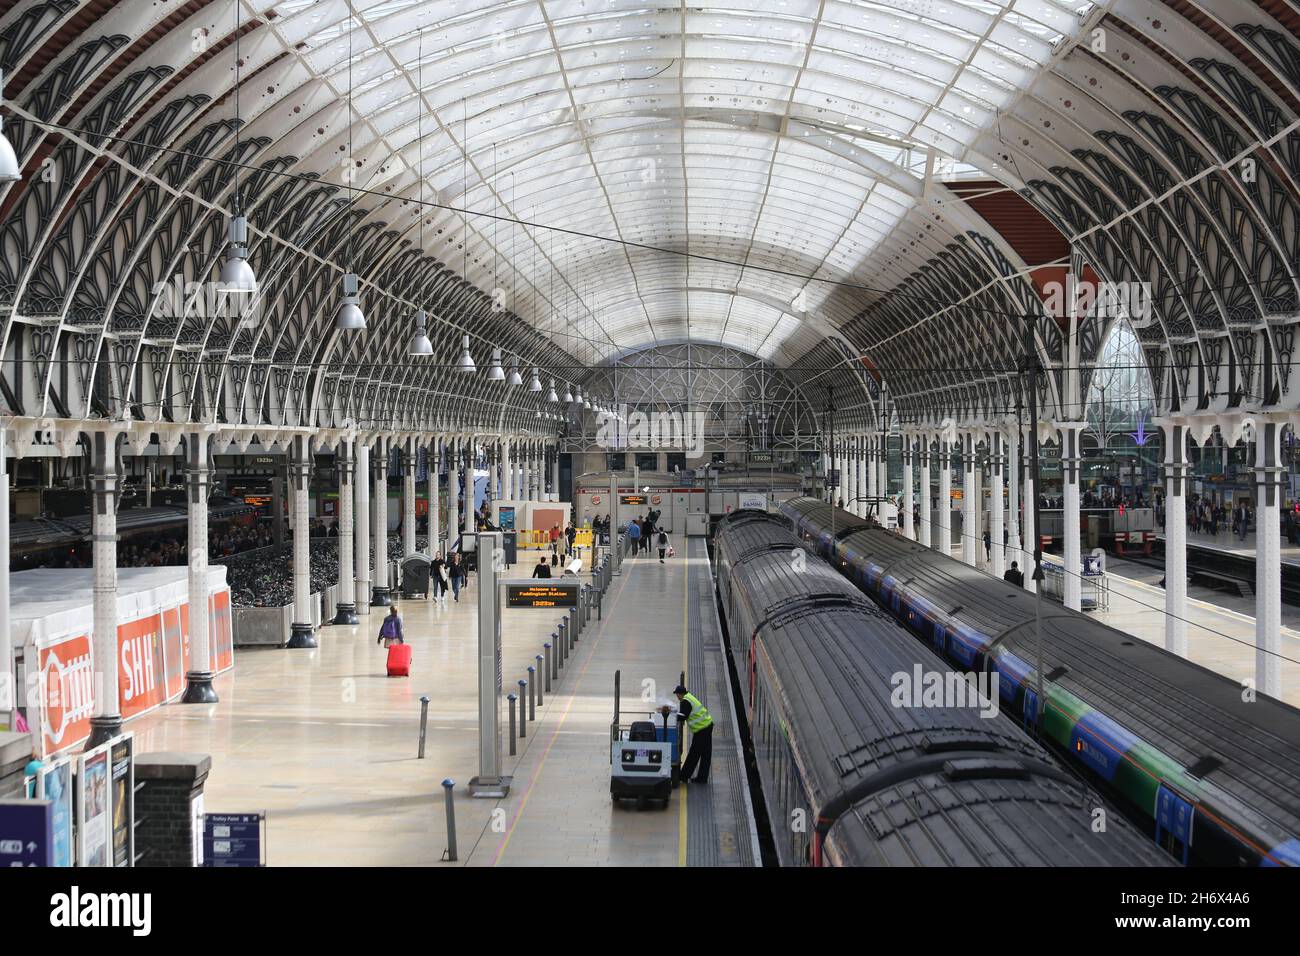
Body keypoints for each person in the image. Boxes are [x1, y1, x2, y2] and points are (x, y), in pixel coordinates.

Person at [674, 684, 714, 784]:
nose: (677, 697)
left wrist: (672, 716)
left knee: (694, 754)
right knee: (705, 754)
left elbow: (683, 716)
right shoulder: (689, 697)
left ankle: (683, 776)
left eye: (677, 695)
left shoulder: (686, 701)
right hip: (707, 726)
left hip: (702, 730)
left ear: (680, 694)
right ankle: (702, 778)